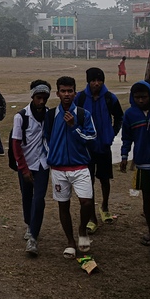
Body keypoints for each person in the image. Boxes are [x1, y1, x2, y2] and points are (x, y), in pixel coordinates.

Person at [45, 76, 97, 258]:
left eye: (70, 91)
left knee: (87, 202)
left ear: (75, 92)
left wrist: (74, 127)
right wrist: (52, 157)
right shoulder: (51, 115)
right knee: (63, 205)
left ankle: (83, 230)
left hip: (80, 166)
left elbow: (91, 138)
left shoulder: (83, 114)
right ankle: (70, 242)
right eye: (63, 91)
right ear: (57, 93)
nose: (67, 94)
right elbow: (46, 139)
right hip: (59, 169)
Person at [120, 80, 150, 260]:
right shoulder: (130, 114)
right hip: (142, 164)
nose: (141, 100)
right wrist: (124, 156)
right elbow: (126, 137)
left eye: (144, 96)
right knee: (147, 200)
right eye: (137, 97)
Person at [75, 67, 123, 233]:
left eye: (99, 80)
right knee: (88, 182)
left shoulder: (110, 98)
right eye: (93, 80)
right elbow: (74, 119)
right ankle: (92, 217)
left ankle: (105, 206)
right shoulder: (80, 98)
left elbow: (119, 117)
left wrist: (111, 134)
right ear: (88, 81)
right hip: (86, 148)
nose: (96, 83)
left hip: (103, 145)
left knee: (104, 178)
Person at [11, 80, 52, 256]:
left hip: (43, 163)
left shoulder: (51, 115)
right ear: (32, 97)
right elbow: (16, 144)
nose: (41, 102)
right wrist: (24, 168)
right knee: (27, 196)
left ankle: (33, 237)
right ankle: (29, 224)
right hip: (26, 164)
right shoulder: (21, 117)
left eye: (44, 98)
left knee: (39, 199)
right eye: (38, 98)